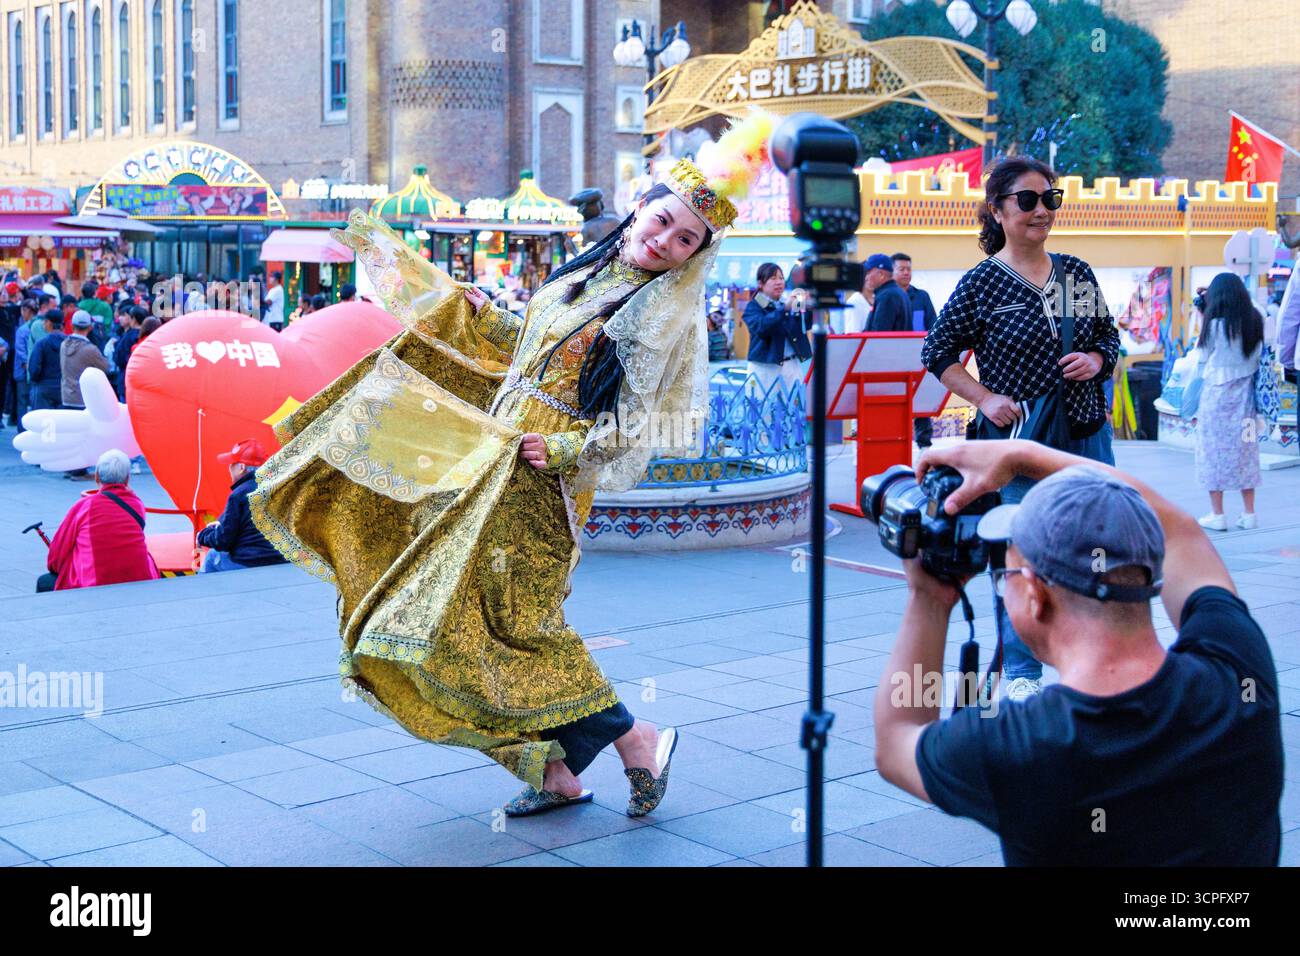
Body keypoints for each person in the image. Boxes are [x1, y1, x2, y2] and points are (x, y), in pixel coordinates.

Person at [249, 114, 775, 819]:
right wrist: (473, 312)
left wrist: (560, 448)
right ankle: (555, 770)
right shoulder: (584, 276)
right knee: (450, 619)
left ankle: (632, 738)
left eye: (686, 240)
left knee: (507, 625)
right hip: (494, 456)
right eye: (663, 221)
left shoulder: (658, 317)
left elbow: (649, 424)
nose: (666, 241)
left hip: (542, 482)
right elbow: (524, 350)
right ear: (639, 208)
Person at [873, 438, 1283, 866]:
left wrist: (928, 601)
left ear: (1034, 594)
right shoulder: (1238, 671)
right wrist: (1022, 456)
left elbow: (896, 739)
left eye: (1005, 572)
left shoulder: (1019, 745)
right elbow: (1179, 531)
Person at [922, 155, 1120, 701]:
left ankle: (1092, 659)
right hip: (1017, 443)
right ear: (998, 210)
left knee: (1093, 547)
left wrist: (1097, 362)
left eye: (1050, 199)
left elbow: (1107, 337)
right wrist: (986, 397)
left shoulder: (1075, 273)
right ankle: (1022, 674)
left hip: (1085, 434)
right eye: (1028, 200)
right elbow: (937, 353)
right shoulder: (983, 283)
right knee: (1021, 553)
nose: (1042, 211)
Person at [1193, 273, 1264, 531]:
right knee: (1247, 453)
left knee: (1213, 452)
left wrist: (1203, 311)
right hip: (1247, 403)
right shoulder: (1255, 320)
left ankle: (1218, 514)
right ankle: (1249, 513)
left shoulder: (1214, 326)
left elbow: (1201, 358)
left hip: (1216, 401)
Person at [39, 449, 162, 592]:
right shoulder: (137, 505)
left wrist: (57, 567)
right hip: (140, 577)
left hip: (95, 582)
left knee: (44, 582)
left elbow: (58, 552)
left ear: (96, 477)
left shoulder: (84, 506)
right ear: (127, 479)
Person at [197, 439, 289, 572]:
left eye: (232, 464)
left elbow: (223, 541)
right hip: (282, 560)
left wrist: (203, 535)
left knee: (212, 556)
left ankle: (202, 591)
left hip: (250, 562)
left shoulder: (239, 495)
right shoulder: (280, 488)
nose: (229, 468)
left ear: (241, 468)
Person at [742, 262, 811, 396]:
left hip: (792, 365)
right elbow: (761, 327)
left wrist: (808, 309)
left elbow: (803, 328)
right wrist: (784, 309)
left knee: (793, 411)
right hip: (765, 367)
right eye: (773, 278)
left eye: (781, 278)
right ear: (760, 284)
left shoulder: (786, 304)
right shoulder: (754, 306)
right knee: (763, 413)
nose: (779, 282)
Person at [893, 252, 939, 448]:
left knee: (921, 403)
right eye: (901, 269)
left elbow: (934, 325)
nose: (906, 273)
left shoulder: (921, 297)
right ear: (891, 271)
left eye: (908, 269)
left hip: (919, 360)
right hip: (895, 362)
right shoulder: (887, 297)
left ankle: (924, 447)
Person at [60, 311, 110, 410]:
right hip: (84, 399)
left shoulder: (63, 345)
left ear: (72, 325)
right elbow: (106, 367)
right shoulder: (91, 349)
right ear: (90, 327)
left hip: (66, 397)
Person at [27, 311, 66, 412]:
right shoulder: (69, 343)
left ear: (49, 323)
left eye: (44, 322)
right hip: (64, 389)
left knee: (43, 423)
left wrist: (36, 381)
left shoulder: (41, 344)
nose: (44, 325)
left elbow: (34, 369)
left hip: (43, 388)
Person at [863, 252, 910, 332]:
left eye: (868, 273)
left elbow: (878, 335)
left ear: (881, 274)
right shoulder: (899, 292)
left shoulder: (887, 296)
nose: (866, 278)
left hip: (889, 345)